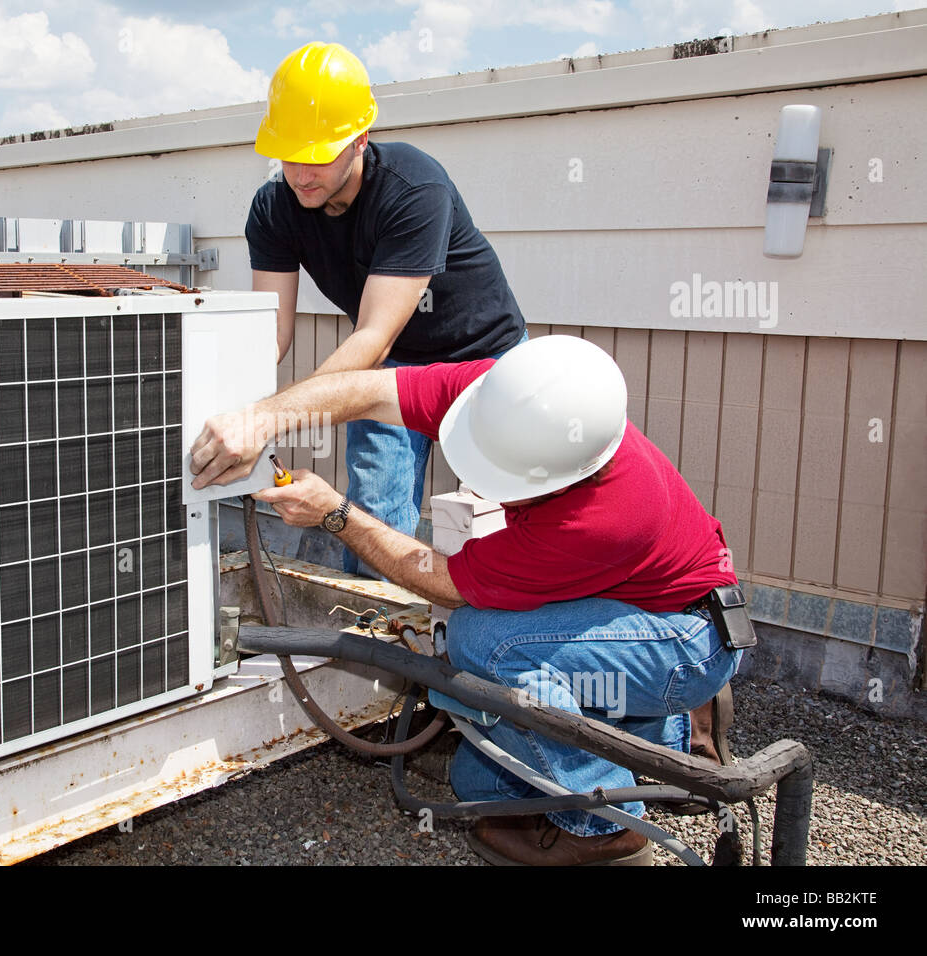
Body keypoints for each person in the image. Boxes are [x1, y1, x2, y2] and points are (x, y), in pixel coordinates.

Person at [189, 335, 744, 866]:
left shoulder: (599, 519)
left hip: (685, 638)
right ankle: (667, 738)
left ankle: (607, 829)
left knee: (485, 643)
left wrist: (336, 513)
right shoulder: (506, 396)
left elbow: (443, 581)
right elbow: (369, 389)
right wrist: (263, 417)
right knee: (475, 783)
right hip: (639, 608)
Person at [247, 41, 527, 578]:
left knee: (514, 507)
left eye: (320, 155)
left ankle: (504, 632)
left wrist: (267, 420)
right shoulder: (273, 208)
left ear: (360, 140)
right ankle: (381, 643)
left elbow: (372, 333)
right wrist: (233, 407)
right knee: (373, 511)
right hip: (394, 365)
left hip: (486, 361)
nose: (302, 173)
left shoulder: (413, 186)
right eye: (290, 155)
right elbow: (272, 333)